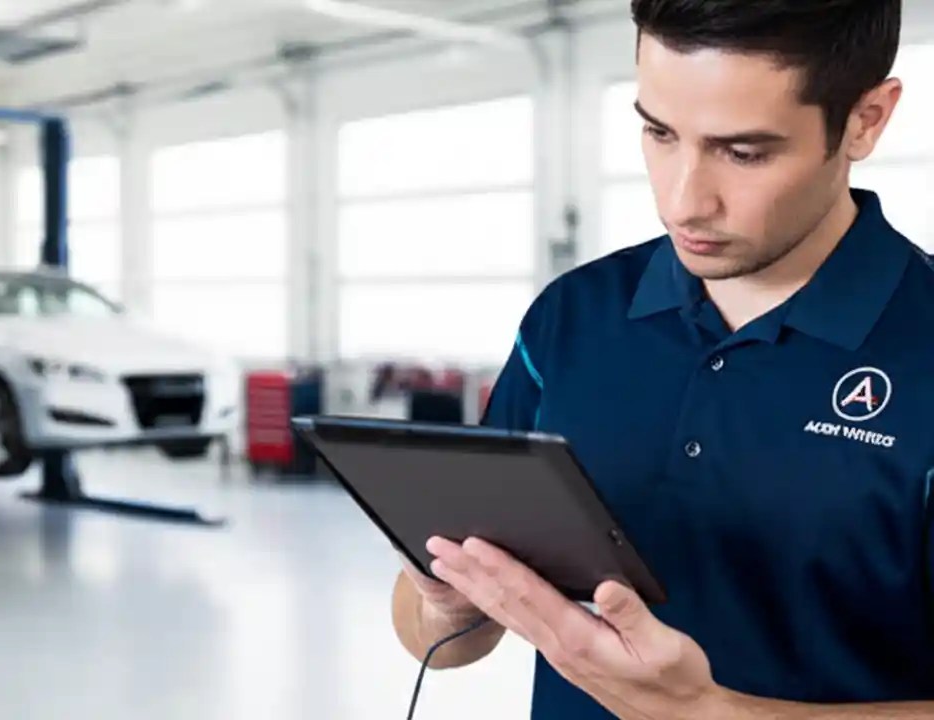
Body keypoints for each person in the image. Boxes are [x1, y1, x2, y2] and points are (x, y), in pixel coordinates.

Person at [391, 0, 934, 717]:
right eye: (659, 133)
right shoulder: (572, 317)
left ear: (866, 119)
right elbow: (445, 639)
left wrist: (709, 713)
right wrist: (448, 605)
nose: (683, 202)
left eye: (743, 152)